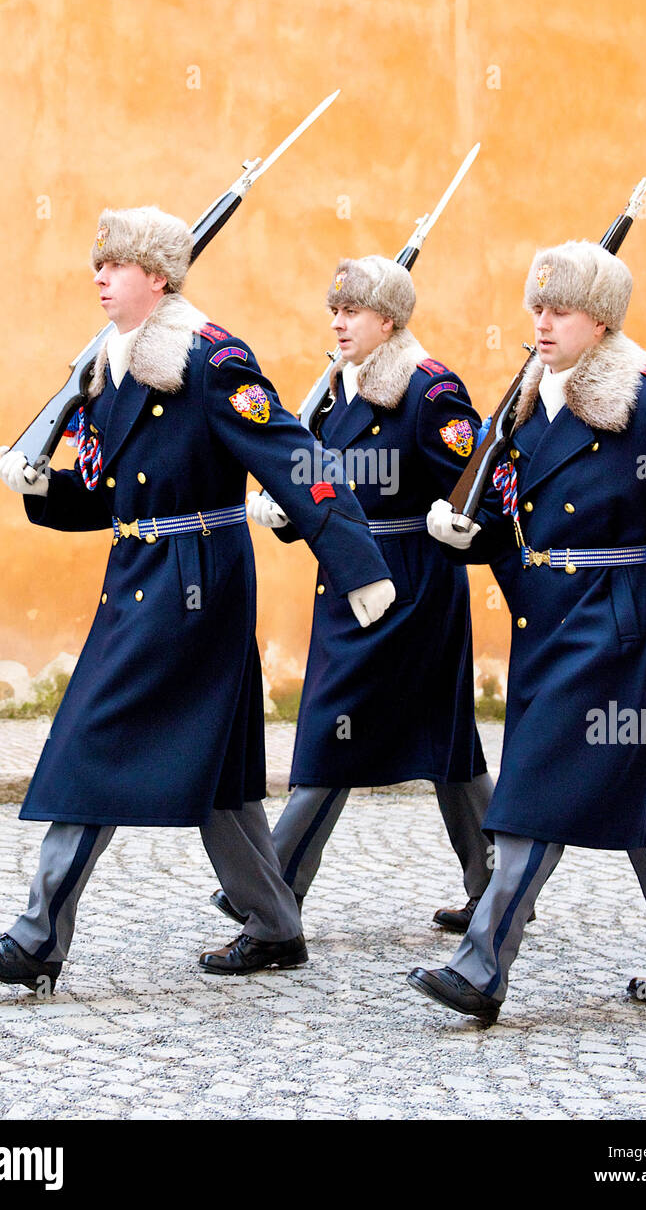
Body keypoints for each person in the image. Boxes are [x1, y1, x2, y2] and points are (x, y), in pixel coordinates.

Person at [0, 206, 395, 994]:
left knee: (96, 740)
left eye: (116, 264)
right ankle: (275, 923)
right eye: (99, 263)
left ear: (156, 276)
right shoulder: (109, 365)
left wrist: (358, 561)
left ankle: (36, 938)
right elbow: (110, 492)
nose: (99, 275)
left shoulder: (210, 357)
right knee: (218, 774)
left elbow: (295, 458)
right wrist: (41, 484)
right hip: (138, 575)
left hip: (194, 581)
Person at [407, 239, 646, 1023]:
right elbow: (514, 518)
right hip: (547, 618)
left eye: (560, 310)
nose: (541, 322)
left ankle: (481, 968)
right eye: (534, 308)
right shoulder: (528, 400)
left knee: (534, 788)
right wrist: (462, 534)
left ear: (602, 322)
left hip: (618, 626)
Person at [212, 254, 495, 930]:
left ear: (389, 320)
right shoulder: (339, 390)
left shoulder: (429, 391)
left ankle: (274, 887)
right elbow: (318, 477)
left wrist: (455, 521)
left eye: (352, 311)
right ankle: (497, 882)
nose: (336, 321)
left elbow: (480, 479)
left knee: (330, 731)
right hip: (348, 575)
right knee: (447, 743)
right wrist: (288, 513)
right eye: (333, 309)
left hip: (408, 587)